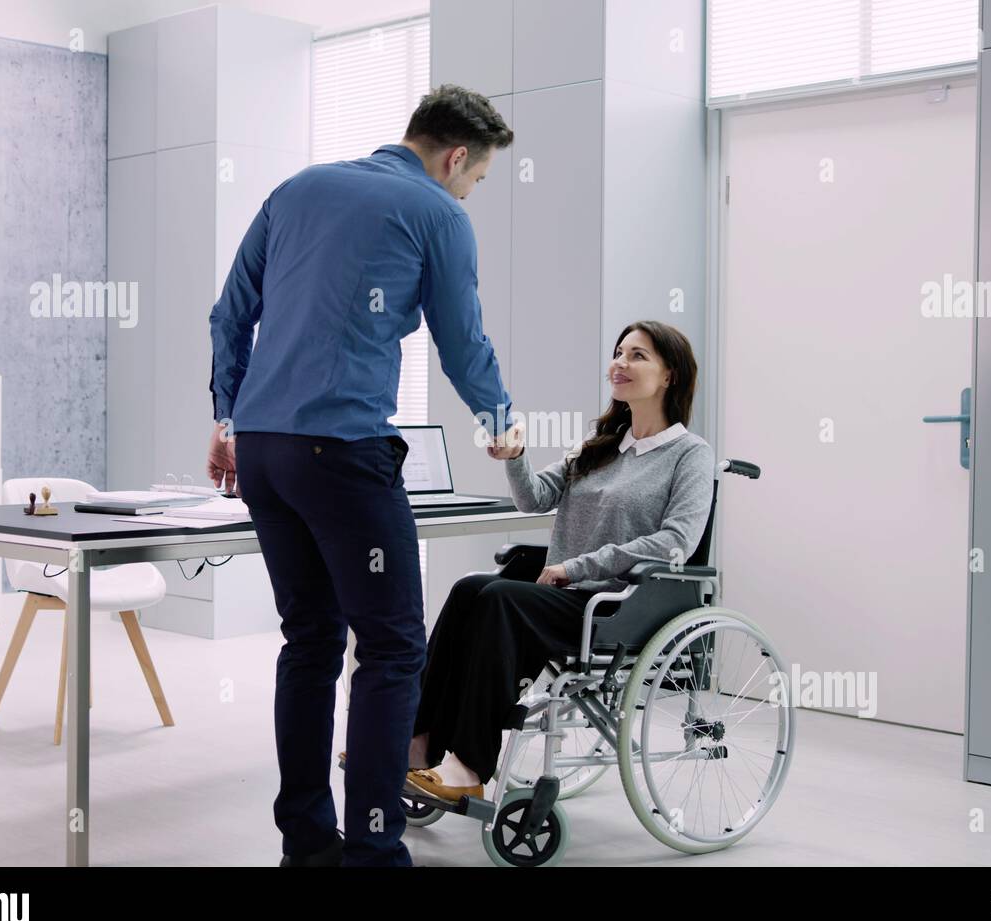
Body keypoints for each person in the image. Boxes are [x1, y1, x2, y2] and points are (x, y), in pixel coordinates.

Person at [204, 85, 516, 867]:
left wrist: (227, 416)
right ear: (455, 158)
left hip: (263, 450)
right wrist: (499, 418)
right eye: (476, 179)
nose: (468, 194)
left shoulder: (297, 188)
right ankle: (374, 854)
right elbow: (460, 337)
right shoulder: (438, 213)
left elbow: (229, 312)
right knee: (392, 647)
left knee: (310, 640)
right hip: (341, 453)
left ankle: (308, 847)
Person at [404, 320, 716, 803]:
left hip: (618, 604)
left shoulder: (689, 454)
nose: (620, 363)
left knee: (501, 599)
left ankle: (467, 767)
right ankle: (419, 741)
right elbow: (533, 498)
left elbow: (677, 541)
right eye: (618, 353)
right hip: (567, 595)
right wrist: (515, 455)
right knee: (470, 589)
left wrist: (578, 566)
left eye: (637, 355)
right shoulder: (601, 445)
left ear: (670, 375)